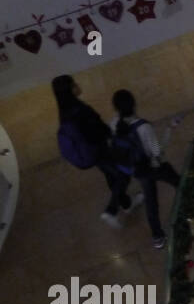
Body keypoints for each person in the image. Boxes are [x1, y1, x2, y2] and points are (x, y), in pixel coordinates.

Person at [53, 74, 136, 228]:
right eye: (74, 84)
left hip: (90, 153)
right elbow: (95, 129)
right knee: (122, 175)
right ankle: (111, 211)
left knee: (111, 175)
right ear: (69, 90)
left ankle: (126, 204)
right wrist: (109, 135)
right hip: (100, 149)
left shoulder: (65, 112)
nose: (77, 86)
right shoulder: (78, 110)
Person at [109, 89, 180, 250]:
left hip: (136, 171)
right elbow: (157, 152)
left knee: (151, 201)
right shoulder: (143, 126)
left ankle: (157, 236)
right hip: (152, 166)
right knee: (176, 180)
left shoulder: (113, 124)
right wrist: (170, 128)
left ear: (116, 108)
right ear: (134, 104)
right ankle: (192, 193)